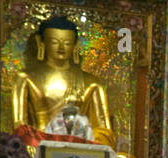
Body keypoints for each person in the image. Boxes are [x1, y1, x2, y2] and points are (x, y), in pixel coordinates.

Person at [12, 16, 115, 147]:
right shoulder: (26, 78)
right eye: (54, 42)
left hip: (80, 149)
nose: (61, 47)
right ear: (41, 43)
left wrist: (95, 150)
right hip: (39, 145)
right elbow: (19, 124)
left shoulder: (92, 83)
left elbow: (104, 131)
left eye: (67, 43)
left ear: (75, 45)